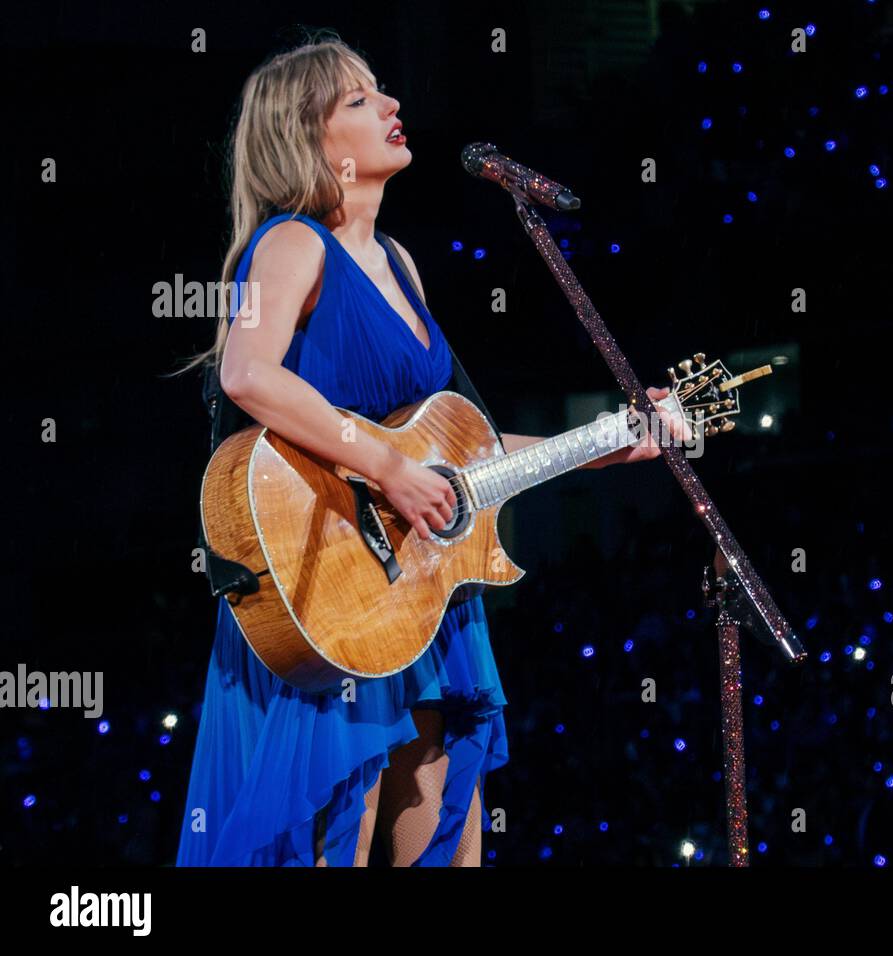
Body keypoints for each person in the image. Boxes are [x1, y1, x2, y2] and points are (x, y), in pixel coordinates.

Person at [171, 33, 682, 866]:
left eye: (382, 91)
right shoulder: (291, 243)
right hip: (329, 575)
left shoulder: (400, 264)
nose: (393, 106)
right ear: (312, 139)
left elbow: (465, 448)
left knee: (448, 822)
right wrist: (389, 470)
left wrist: (612, 440)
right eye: (361, 99)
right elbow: (247, 374)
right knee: (341, 819)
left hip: (419, 583)